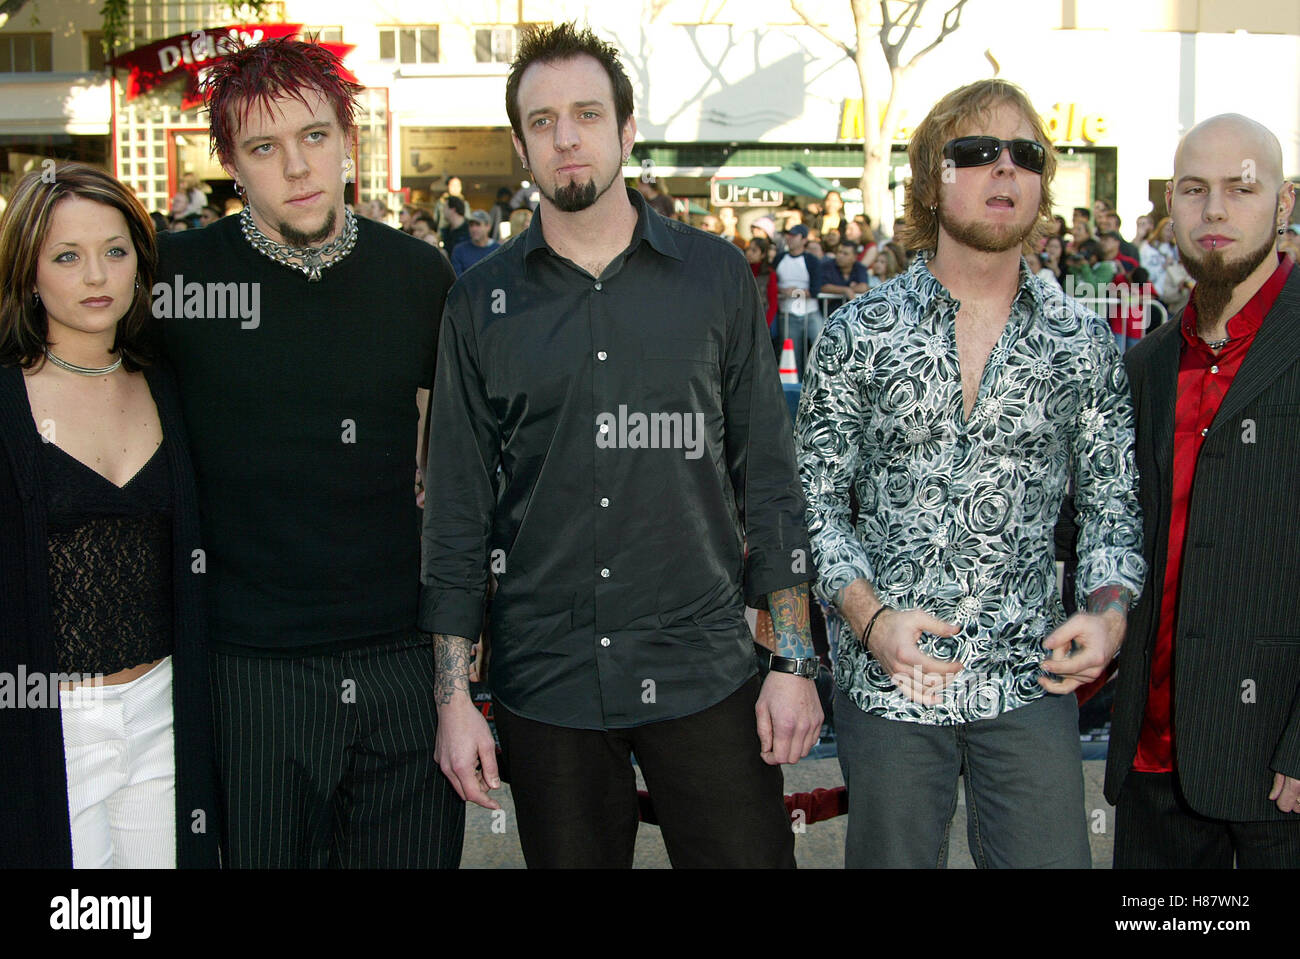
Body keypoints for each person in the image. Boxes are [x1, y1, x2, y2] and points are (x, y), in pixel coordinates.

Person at [422, 21, 821, 869]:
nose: (566, 137)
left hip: (705, 670)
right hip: (547, 682)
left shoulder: (715, 277)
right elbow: (456, 511)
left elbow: (770, 480)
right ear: (521, 144)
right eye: (542, 121)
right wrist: (456, 698)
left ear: (627, 129)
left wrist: (793, 657)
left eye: (588, 114)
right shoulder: (478, 305)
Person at [796, 77, 1145, 869]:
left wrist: (1108, 614)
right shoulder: (859, 333)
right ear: (931, 179)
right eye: (975, 152)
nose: (1004, 169)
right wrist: (871, 620)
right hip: (888, 680)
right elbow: (813, 500)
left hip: (1031, 677)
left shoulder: (1081, 344)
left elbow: (1114, 506)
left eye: (1024, 154)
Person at [156, 37, 463, 868]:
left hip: (403, 664)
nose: (297, 166)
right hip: (250, 672)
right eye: (264, 147)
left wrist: (455, 677)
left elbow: (455, 477)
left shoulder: (420, 275)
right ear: (229, 162)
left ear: (347, 139)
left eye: (315, 135)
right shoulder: (174, 283)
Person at [0, 162, 220, 868]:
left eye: (115, 251)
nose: (97, 275)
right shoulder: (7, 399)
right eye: (67, 256)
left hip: (163, 711)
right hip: (51, 724)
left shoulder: (169, 385)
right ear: (28, 273)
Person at [1105, 113, 1300, 868]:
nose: (1215, 210)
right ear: (1171, 208)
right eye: (1194, 190)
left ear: (1283, 204)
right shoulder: (1149, 366)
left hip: (1277, 771)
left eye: (1240, 189)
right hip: (1155, 763)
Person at [773, 223, 822, 370]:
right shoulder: (779, 258)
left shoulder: (811, 260)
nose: (790, 238)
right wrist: (783, 291)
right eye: (789, 235)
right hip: (788, 313)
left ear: (804, 239)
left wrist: (795, 292)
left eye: (794, 236)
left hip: (810, 312)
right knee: (791, 355)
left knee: (821, 347)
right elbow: (772, 283)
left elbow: (816, 289)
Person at [450, 209, 500, 276]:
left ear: (488, 226)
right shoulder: (459, 250)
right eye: (471, 225)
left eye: (478, 224)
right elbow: (457, 279)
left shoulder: (498, 250)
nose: (474, 229)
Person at [745, 235, 778, 335]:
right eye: (748, 249)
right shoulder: (742, 271)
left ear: (763, 254)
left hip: (761, 317)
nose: (749, 253)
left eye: (754, 250)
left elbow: (773, 302)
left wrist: (765, 324)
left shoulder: (769, 274)